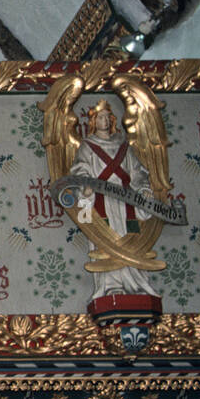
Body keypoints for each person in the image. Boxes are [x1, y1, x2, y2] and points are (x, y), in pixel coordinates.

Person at [70, 99, 159, 298]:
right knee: (105, 239)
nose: (105, 121)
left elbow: (137, 172)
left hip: (126, 200)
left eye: (107, 117)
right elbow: (81, 170)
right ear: (93, 121)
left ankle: (136, 286)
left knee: (132, 238)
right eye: (100, 117)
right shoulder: (87, 146)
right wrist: (85, 189)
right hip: (101, 201)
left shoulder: (124, 146)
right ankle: (110, 286)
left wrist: (143, 189)